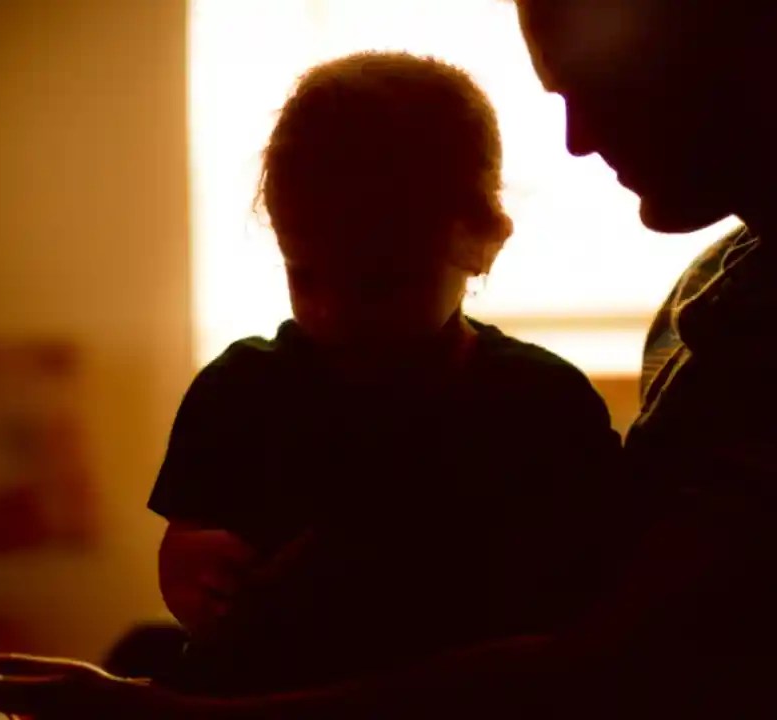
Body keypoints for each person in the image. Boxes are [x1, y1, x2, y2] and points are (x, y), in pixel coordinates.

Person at [0, 1, 777, 718]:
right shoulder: (768, 262)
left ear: (724, 34)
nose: (576, 139)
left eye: (584, 87)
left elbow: (619, 674)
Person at [146, 50, 628, 697]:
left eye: (378, 283)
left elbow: (578, 622)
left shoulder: (541, 408)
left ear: (483, 241)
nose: (331, 313)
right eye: (304, 275)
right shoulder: (239, 391)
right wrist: (188, 569)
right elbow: (187, 538)